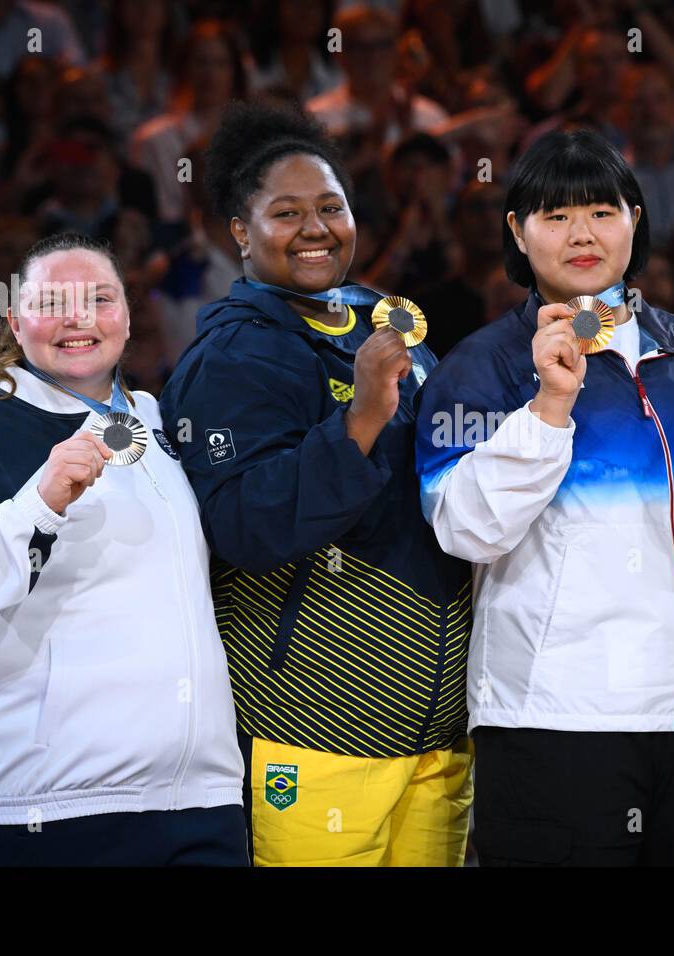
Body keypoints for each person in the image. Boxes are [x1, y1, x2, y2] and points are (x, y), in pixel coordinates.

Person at [160, 104, 473, 867]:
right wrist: (361, 419)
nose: (315, 228)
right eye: (286, 212)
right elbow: (243, 527)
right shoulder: (231, 359)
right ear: (240, 230)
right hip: (312, 731)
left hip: (437, 741)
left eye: (331, 207)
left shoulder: (388, 326)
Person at [415, 129, 674, 866]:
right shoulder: (480, 368)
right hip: (553, 718)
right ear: (517, 234)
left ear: (636, 219)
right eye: (555, 216)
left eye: (601, 210)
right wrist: (549, 408)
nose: (582, 234)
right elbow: (465, 530)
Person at [0, 233, 247, 866]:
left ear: (129, 316)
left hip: (201, 801)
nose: (79, 318)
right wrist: (40, 503)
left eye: (100, 299)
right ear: (15, 319)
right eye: (54, 300)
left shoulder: (158, 422)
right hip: (54, 812)